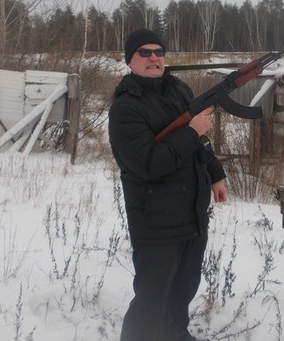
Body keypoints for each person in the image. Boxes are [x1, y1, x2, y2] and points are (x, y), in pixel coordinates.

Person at [108, 28, 228, 341]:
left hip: (192, 213)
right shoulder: (125, 109)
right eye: (144, 52)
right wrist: (191, 132)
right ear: (130, 61)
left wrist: (215, 172)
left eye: (159, 52)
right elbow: (149, 163)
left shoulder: (179, 90)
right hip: (156, 220)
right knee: (152, 298)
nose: (153, 58)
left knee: (183, 290)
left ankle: (176, 335)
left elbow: (199, 141)